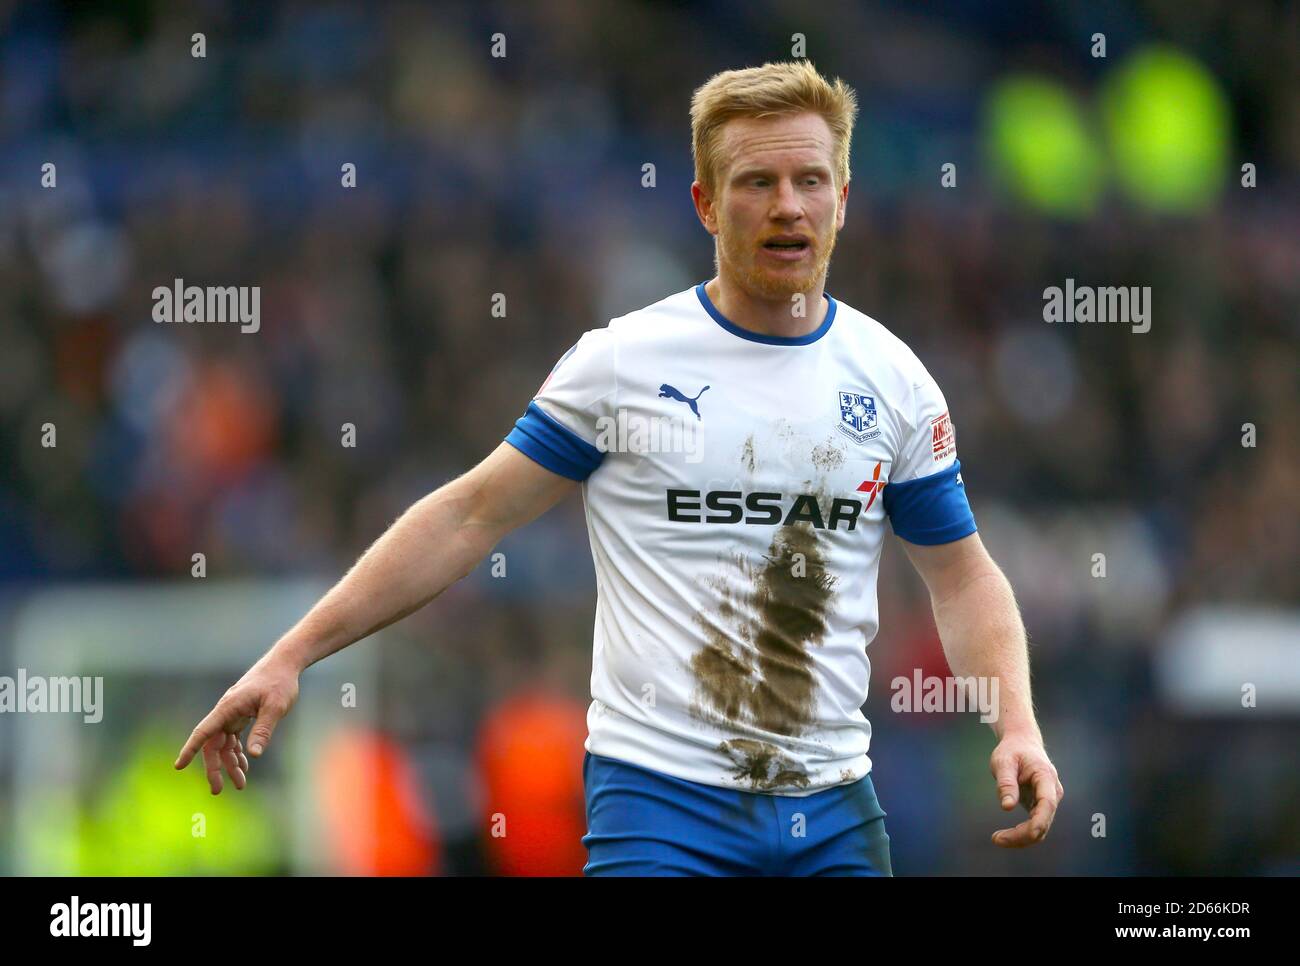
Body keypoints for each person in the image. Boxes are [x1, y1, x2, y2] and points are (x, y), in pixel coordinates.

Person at [175, 60, 1063, 876]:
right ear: (707, 204)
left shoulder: (895, 381)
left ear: (844, 199)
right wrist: (293, 654)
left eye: (810, 181)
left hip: (831, 804)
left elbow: (962, 577)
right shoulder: (625, 362)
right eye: (756, 182)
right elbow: (469, 515)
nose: (788, 205)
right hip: (659, 805)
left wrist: (1015, 719)